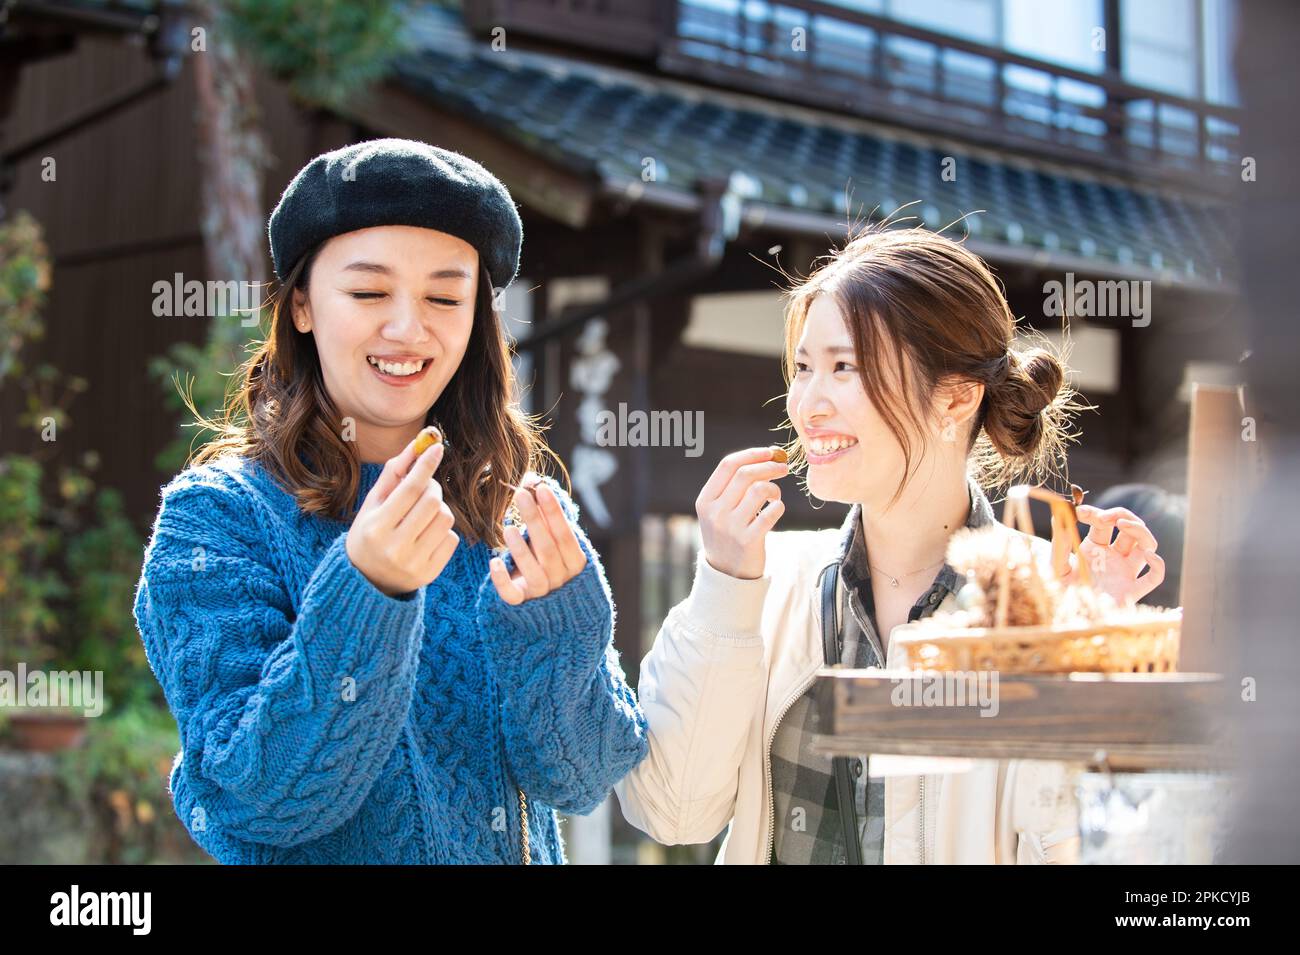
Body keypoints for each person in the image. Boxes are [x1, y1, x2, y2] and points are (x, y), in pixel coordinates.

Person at [133, 138, 648, 864]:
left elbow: (586, 775)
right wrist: (367, 589)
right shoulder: (217, 517)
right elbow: (255, 800)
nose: (408, 328)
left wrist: (557, 630)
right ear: (303, 306)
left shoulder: (516, 508)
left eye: (444, 296)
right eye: (370, 292)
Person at [614, 224, 1165, 864]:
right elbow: (671, 811)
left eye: (843, 367)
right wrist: (723, 586)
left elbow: (1089, 855)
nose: (806, 404)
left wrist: (1085, 651)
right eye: (802, 368)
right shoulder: (769, 580)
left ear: (955, 397)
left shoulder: (1046, 600)